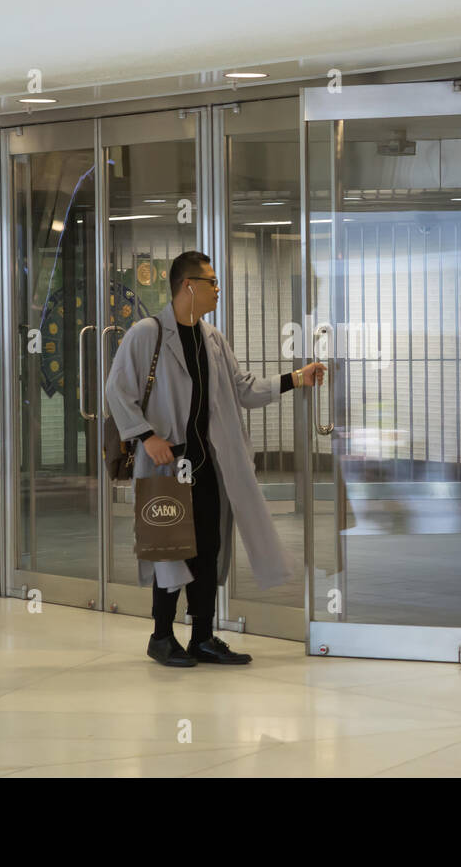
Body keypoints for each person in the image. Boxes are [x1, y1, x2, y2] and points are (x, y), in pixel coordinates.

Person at [105, 251, 325, 667]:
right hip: (168, 463)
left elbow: (242, 389)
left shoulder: (212, 338)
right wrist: (147, 436)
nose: (217, 289)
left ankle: (203, 636)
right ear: (188, 285)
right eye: (212, 282)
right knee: (170, 547)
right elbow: (116, 391)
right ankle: (161, 636)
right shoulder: (146, 335)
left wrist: (296, 378)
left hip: (208, 465)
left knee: (207, 547)